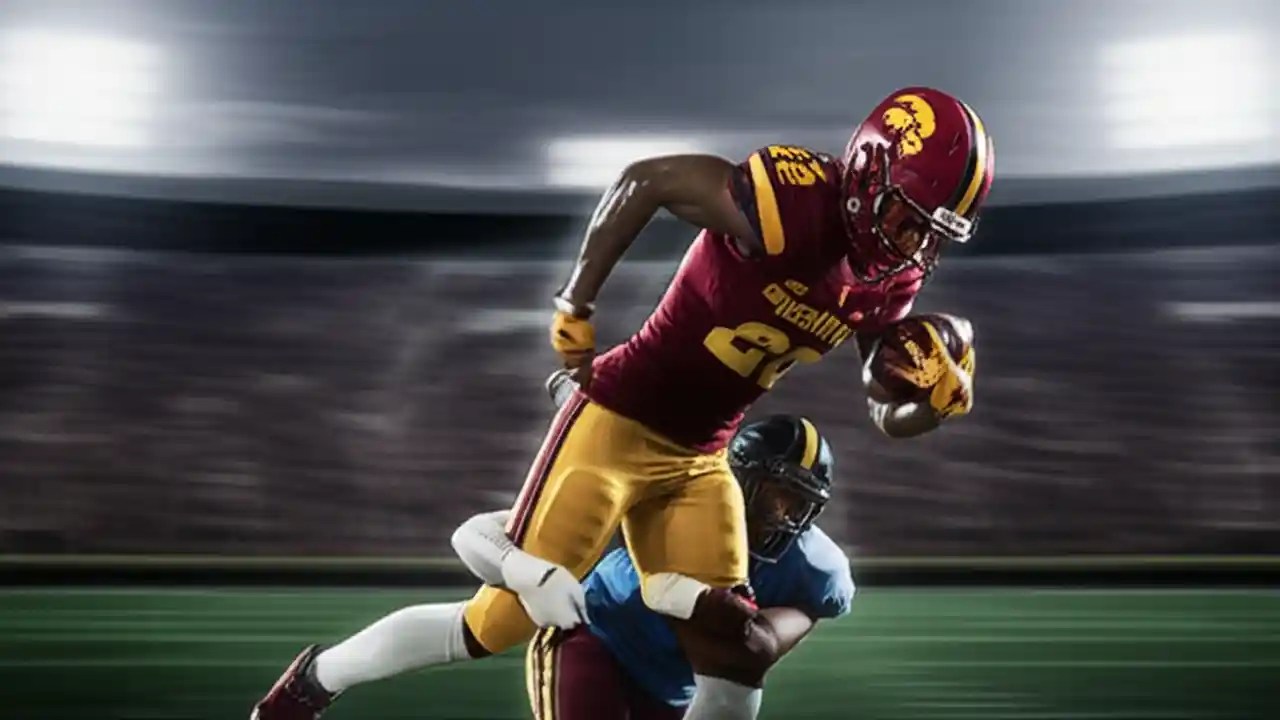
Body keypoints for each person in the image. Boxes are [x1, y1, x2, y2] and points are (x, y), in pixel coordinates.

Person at [252, 86, 992, 720]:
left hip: (702, 455)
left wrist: (934, 403)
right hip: (618, 420)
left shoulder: (890, 281)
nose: (914, 250)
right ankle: (314, 682)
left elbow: (883, 411)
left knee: (734, 646)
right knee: (497, 622)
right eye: (908, 221)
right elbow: (648, 180)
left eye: (934, 236)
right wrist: (575, 304)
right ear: (869, 173)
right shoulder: (790, 202)